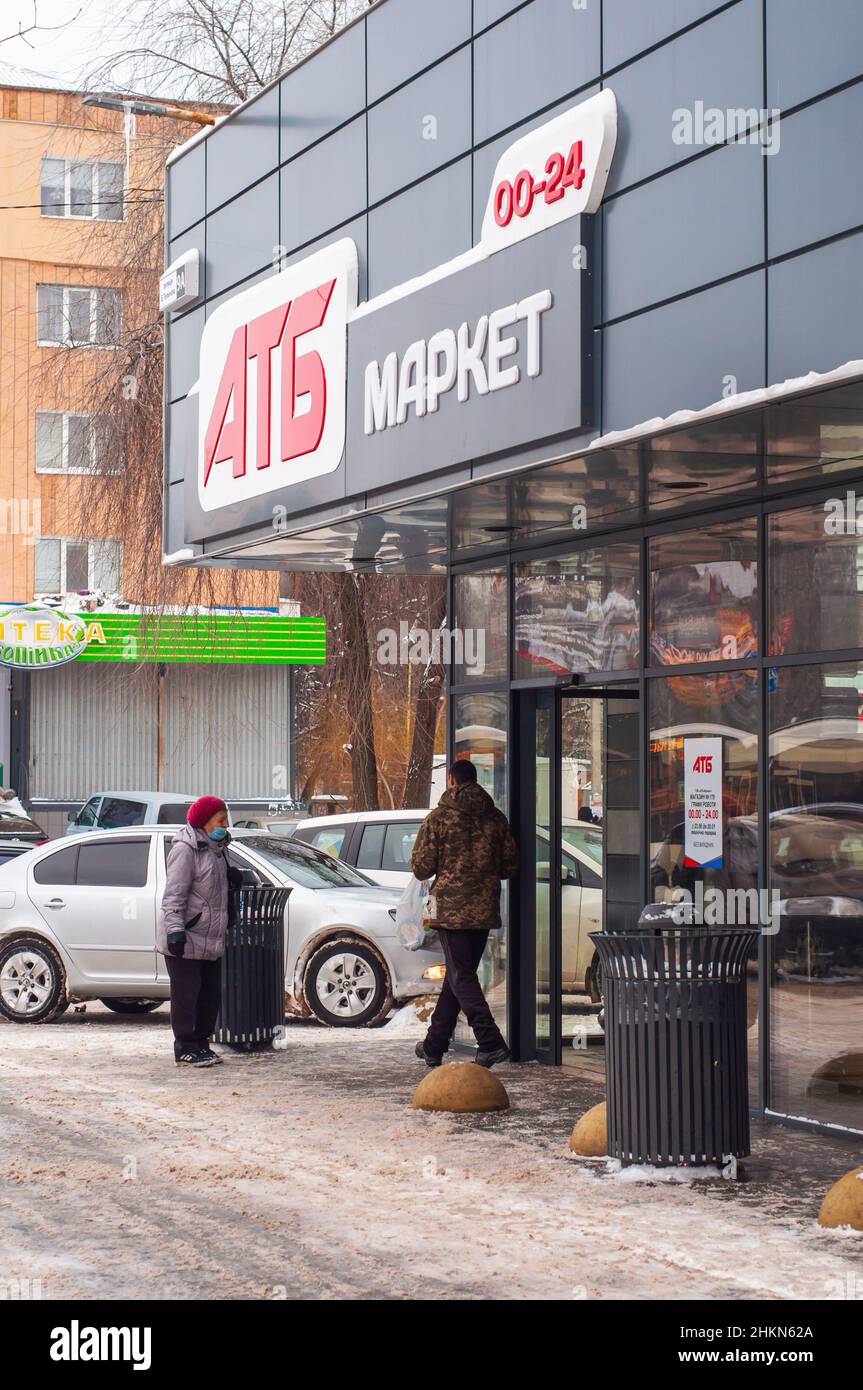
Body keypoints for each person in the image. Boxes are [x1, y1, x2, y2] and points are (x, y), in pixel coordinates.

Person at [411, 759, 518, 1069]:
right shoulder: (496, 819)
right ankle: (434, 1044)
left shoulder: (439, 818)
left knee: (460, 976)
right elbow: (511, 865)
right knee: (460, 977)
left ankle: (491, 1042)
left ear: (451, 781)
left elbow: (421, 868)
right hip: (483, 910)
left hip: (451, 911)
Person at [157, 795, 232, 1068]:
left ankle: (202, 1044)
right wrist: (174, 930)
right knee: (187, 996)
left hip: (210, 937)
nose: (225, 824)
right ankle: (186, 1047)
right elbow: (174, 894)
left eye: (225, 819)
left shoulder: (217, 848)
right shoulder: (186, 849)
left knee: (209, 996)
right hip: (186, 936)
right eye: (220, 820)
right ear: (204, 822)